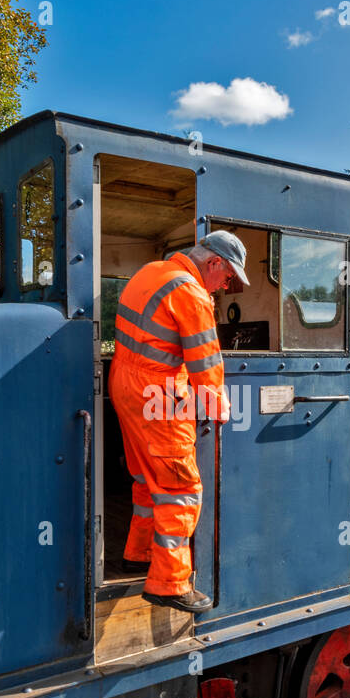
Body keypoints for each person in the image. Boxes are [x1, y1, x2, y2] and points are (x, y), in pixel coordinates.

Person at [109, 230, 246, 612]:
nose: (226, 285)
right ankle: (169, 583)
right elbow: (205, 360)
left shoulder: (150, 272)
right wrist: (218, 408)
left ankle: (138, 554)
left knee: (145, 478)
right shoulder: (190, 291)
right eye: (229, 276)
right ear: (214, 262)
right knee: (181, 487)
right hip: (160, 393)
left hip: (124, 384)